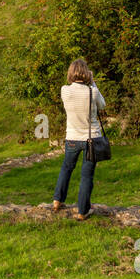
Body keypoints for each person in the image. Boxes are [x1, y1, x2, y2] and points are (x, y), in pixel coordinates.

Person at [52, 58, 105, 221]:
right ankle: (83, 211)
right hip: (92, 138)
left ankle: (57, 201)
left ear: (70, 73)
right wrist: (93, 82)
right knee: (86, 175)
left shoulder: (64, 90)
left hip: (72, 138)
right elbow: (102, 105)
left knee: (66, 168)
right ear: (86, 73)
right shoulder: (92, 91)